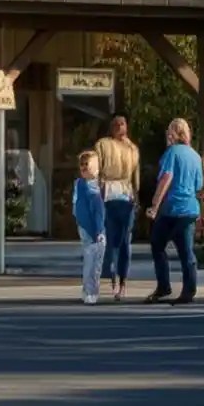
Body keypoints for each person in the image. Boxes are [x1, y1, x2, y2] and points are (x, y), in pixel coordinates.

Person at [146, 118, 204, 305]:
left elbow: (166, 178)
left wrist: (155, 205)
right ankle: (188, 289)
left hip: (172, 209)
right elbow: (198, 185)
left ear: (173, 133)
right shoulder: (195, 156)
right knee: (186, 251)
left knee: (157, 245)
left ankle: (165, 286)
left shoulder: (171, 153)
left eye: (169, 131)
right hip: (189, 209)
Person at [94, 116, 140, 301]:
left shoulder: (128, 148)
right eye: (118, 124)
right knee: (116, 241)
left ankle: (119, 282)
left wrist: (136, 195)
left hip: (119, 195)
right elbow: (97, 170)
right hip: (116, 195)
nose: (120, 127)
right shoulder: (107, 146)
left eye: (122, 124)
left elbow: (135, 176)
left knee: (120, 242)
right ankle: (116, 280)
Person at [73, 150, 107, 305]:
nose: (84, 168)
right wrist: (97, 230)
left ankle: (89, 289)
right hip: (92, 228)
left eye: (87, 165)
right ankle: (90, 291)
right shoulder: (90, 188)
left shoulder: (83, 184)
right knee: (93, 260)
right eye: (83, 165)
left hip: (89, 226)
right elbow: (95, 211)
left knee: (92, 259)